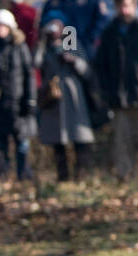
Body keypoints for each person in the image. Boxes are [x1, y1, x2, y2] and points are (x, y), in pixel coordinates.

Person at [94, 0, 138, 183]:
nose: (124, 10)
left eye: (127, 6)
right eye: (120, 6)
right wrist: (107, 89)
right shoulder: (110, 32)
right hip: (119, 98)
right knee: (122, 142)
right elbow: (101, 65)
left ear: (134, 6)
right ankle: (125, 177)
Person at [0, 9, 35, 181]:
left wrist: (31, 100)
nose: (0, 30)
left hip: (19, 105)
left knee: (22, 144)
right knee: (1, 145)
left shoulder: (20, 47)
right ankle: (3, 177)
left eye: (3, 26)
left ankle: (23, 177)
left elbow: (29, 75)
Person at [36, 16, 95, 180]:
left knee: (79, 136)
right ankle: (63, 176)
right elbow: (36, 63)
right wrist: (41, 41)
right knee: (58, 138)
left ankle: (81, 174)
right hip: (53, 96)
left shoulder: (71, 41)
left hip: (73, 95)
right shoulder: (45, 45)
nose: (54, 30)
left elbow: (86, 70)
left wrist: (73, 59)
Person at [39, 0, 110, 55]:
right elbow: (46, 21)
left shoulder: (93, 3)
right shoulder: (55, 2)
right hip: (59, 50)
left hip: (85, 50)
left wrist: (89, 40)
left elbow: (102, 22)